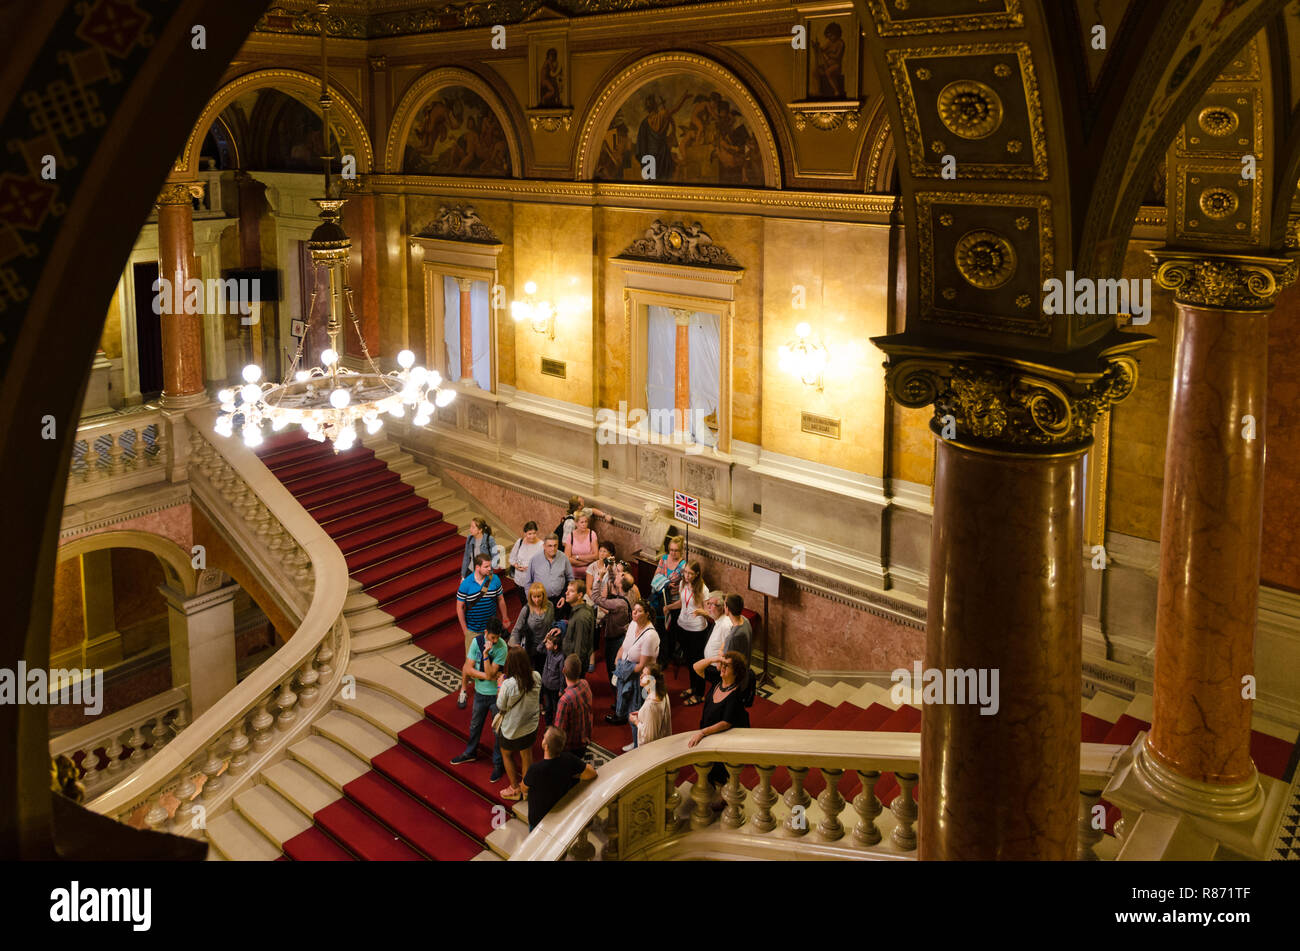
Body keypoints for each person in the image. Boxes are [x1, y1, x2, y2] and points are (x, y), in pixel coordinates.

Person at [450, 618, 508, 780]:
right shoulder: (477, 642)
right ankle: (470, 752)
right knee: (475, 725)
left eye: (497, 638)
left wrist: (485, 656)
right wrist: (487, 676)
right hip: (480, 693)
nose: (494, 641)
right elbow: (467, 668)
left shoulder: (502, 647)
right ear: (485, 633)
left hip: (496, 696)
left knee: (497, 731)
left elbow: (490, 672)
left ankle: (498, 762)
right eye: (492, 638)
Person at [456, 553, 511, 709]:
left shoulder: (494, 580)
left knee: (491, 658)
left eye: (490, 565)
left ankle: (492, 686)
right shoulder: (466, 584)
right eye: (486, 566)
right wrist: (465, 630)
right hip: (473, 629)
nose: (490, 568)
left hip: (491, 630)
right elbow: (459, 608)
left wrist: (505, 616)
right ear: (478, 567)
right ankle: (464, 690)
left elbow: (500, 599)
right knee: (469, 663)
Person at [688, 650, 751, 785]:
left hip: (721, 739)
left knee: (720, 772)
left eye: (726, 666)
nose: (722, 667)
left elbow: (725, 723)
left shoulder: (735, 695)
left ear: (735, 672)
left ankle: (723, 797)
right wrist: (713, 660)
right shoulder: (718, 678)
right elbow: (696, 667)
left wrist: (702, 733)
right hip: (707, 730)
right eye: (722, 664)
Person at [521, 726, 597, 831]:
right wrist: (576, 774)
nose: (542, 739)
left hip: (539, 819)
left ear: (546, 746)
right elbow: (592, 773)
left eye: (544, 737)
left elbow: (524, 789)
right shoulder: (569, 759)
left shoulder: (535, 769)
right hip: (562, 812)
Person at [495, 645, 542, 801]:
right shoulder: (536, 676)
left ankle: (514, 788)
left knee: (506, 753)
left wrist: (500, 685)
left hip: (512, 729)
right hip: (530, 726)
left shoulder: (508, 685)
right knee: (526, 753)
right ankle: (526, 789)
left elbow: (500, 706)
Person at [607, 600, 659, 726]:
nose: (634, 613)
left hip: (643, 677)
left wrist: (621, 669)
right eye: (634, 610)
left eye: (639, 611)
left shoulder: (650, 635)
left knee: (640, 711)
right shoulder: (632, 625)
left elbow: (642, 665)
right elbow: (625, 646)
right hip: (628, 670)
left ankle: (639, 741)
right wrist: (617, 659)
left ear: (647, 614)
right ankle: (623, 716)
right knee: (628, 706)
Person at [670, 560, 710, 698]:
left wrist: (700, 612)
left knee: (697, 662)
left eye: (690, 573)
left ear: (697, 574)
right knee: (688, 661)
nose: (686, 576)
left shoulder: (703, 589)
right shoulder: (683, 584)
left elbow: (709, 612)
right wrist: (668, 607)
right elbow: (682, 603)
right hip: (683, 626)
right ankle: (692, 688)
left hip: (697, 630)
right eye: (685, 572)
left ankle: (699, 694)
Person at [592, 569, 633, 678]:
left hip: (615, 640)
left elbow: (596, 598)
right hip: (620, 636)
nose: (618, 574)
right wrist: (609, 568)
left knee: (613, 670)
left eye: (621, 574)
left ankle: (617, 692)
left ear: (620, 583)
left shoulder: (618, 604)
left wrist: (599, 578)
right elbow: (613, 580)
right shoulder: (626, 593)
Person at [650, 535, 686, 657]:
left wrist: (663, 581)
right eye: (671, 550)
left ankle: (668, 655)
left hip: (673, 602)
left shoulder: (683, 566)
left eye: (676, 550)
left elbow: (683, 585)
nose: (672, 553)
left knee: (670, 630)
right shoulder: (664, 559)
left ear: (681, 551)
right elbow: (655, 577)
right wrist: (666, 583)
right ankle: (659, 652)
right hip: (660, 599)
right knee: (659, 627)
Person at [554, 653, 593, 756]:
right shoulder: (585, 684)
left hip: (570, 748)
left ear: (563, 671)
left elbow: (559, 732)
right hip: (585, 741)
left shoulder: (565, 700)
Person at [628, 663, 671, 752]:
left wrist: (636, 721)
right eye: (642, 673)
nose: (641, 677)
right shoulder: (663, 693)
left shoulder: (651, 704)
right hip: (663, 741)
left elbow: (648, 737)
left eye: (645, 675)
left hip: (652, 750)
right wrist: (641, 713)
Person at [512, 582, 554, 672]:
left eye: (539, 596)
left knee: (543, 671)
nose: (536, 600)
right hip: (530, 647)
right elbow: (516, 629)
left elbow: (552, 623)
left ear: (543, 595)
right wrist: (517, 647)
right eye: (534, 597)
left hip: (545, 646)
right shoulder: (526, 609)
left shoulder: (550, 606)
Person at [554, 579, 595, 672]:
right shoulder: (582, 608)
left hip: (574, 664)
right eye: (567, 590)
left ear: (580, 595)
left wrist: (572, 668)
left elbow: (580, 647)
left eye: (571, 591)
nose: (566, 593)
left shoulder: (581, 617)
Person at [523, 534, 573, 603]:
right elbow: (528, 583)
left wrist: (564, 596)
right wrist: (531, 601)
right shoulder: (534, 559)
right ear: (544, 546)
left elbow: (570, 579)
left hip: (559, 599)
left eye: (555, 545)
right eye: (550, 546)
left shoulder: (563, 557)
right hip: (540, 601)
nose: (553, 549)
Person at [508, 521, 543, 612]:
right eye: (529, 534)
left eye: (534, 533)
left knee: (535, 605)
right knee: (524, 604)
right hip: (519, 580)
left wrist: (531, 567)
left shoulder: (541, 545)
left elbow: (544, 564)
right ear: (525, 533)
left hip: (533, 581)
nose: (532, 536)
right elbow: (512, 558)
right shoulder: (519, 542)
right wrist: (516, 566)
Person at [538, 628, 566, 725]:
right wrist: (545, 639)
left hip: (555, 688)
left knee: (556, 707)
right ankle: (548, 725)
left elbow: (562, 675)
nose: (546, 645)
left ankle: (558, 724)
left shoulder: (561, 658)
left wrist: (561, 690)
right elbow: (539, 649)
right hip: (546, 685)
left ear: (555, 646)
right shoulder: (549, 651)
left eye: (549, 643)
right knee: (548, 706)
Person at [701, 592, 732, 661]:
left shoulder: (725, 625)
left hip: (717, 667)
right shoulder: (717, 620)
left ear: (721, 607)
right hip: (710, 663)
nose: (708, 607)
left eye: (712, 604)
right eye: (708, 603)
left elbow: (728, 650)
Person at [723, 593, 752, 666]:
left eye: (724, 605)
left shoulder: (732, 638)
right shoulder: (746, 620)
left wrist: (721, 652)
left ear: (727, 608)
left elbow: (725, 663)